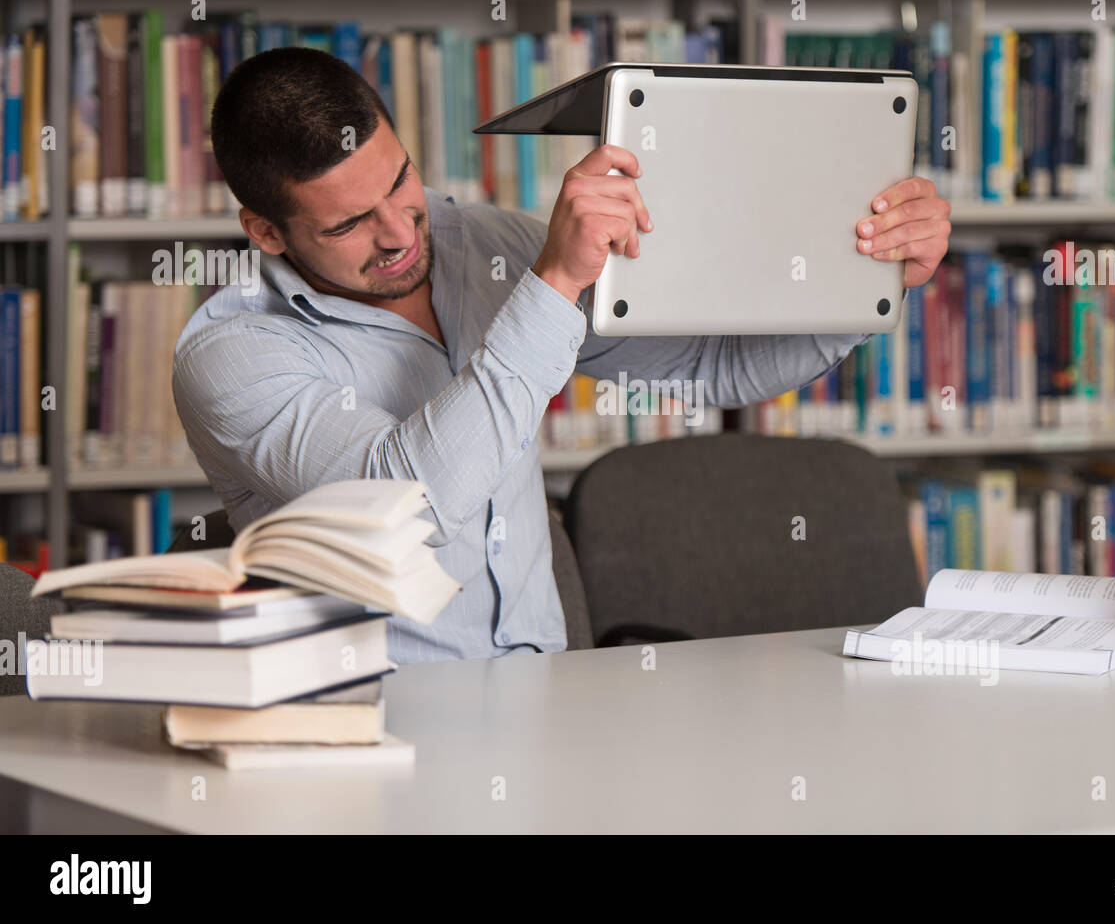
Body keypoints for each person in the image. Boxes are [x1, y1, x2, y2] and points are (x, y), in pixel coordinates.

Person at [172, 47, 951, 662]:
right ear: (267, 232)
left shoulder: (489, 247)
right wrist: (554, 281)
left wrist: (869, 277)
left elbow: (709, 366)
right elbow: (404, 505)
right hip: (375, 730)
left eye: (402, 184)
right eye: (349, 225)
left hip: (553, 700)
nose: (402, 232)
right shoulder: (232, 352)